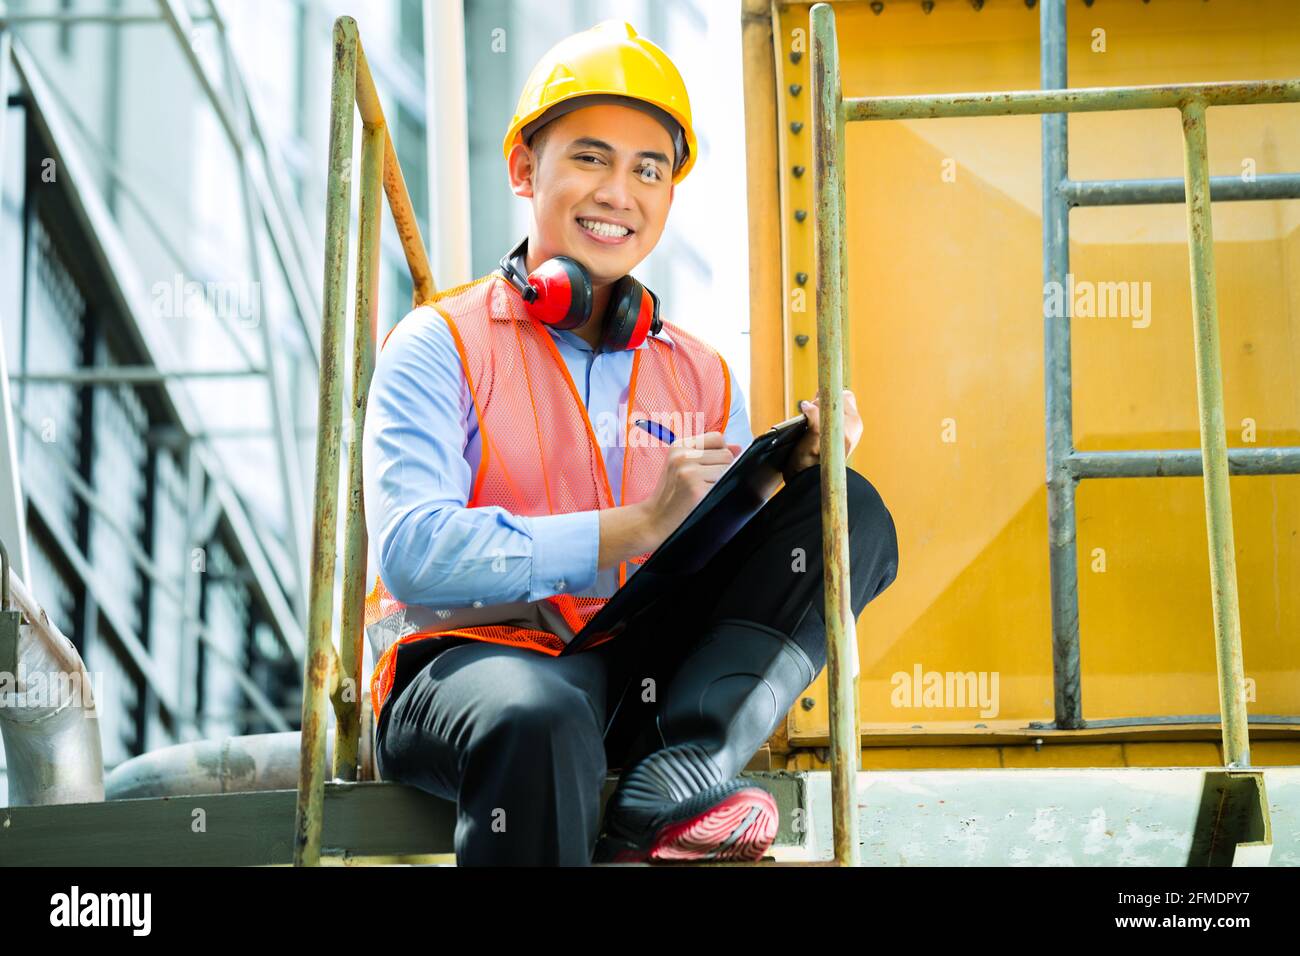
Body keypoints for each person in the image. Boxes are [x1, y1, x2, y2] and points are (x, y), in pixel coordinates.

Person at [361, 19, 899, 866]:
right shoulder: (439, 342)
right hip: (467, 671)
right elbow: (413, 555)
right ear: (524, 169)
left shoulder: (701, 374)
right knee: (537, 713)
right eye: (589, 158)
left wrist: (785, 474)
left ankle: (683, 771)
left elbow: (715, 570)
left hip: (627, 680)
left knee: (844, 505)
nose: (620, 191)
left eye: (649, 169)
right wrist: (634, 526)